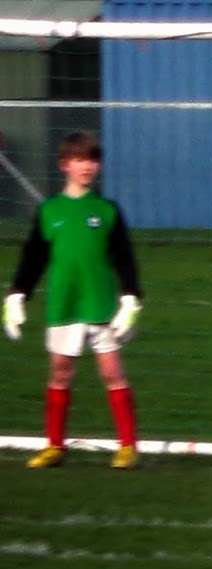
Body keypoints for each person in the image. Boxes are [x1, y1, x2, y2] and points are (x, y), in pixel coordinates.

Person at [5, 131, 144, 469]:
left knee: (112, 372)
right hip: (64, 306)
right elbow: (33, 258)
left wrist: (130, 299)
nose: (87, 166)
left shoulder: (107, 210)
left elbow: (124, 258)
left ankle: (127, 447)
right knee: (60, 372)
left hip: (100, 307)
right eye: (80, 159)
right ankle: (55, 446)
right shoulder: (49, 211)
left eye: (93, 160)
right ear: (65, 165)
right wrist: (16, 295)